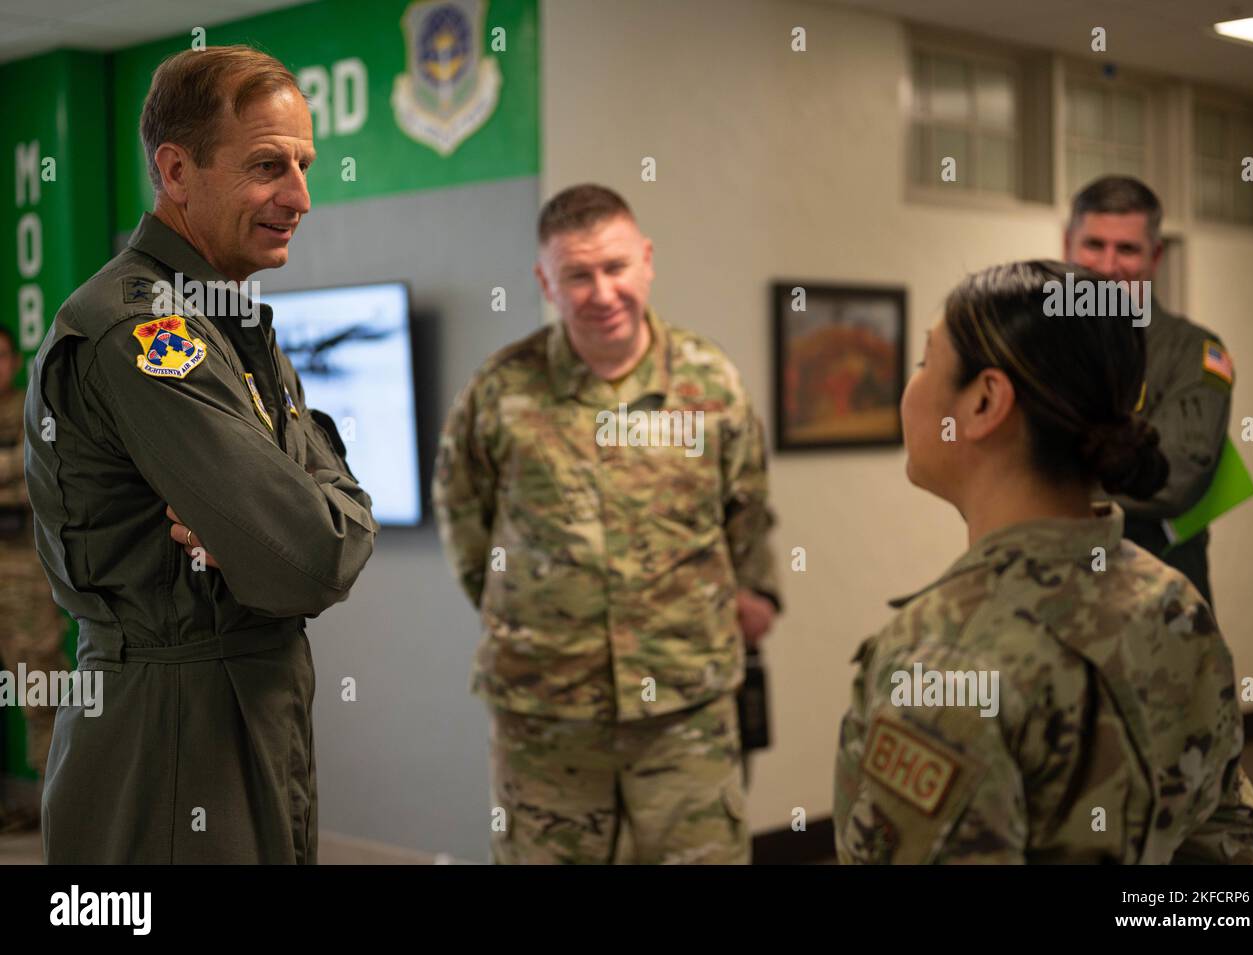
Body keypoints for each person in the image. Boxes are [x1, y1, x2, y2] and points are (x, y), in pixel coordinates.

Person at [23, 46, 376, 863]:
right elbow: (311, 560)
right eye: (266, 166)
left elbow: (330, 516)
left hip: (247, 706)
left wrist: (283, 509)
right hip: (170, 728)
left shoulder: (228, 318)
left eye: (304, 164)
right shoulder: (142, 332)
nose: (299, 196)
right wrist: (295, 513)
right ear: (176, 171)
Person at [833, 261, 1253, 864]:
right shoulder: (1174, 603)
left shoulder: (943, 661)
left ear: (985, 401)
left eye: (924, 363)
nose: (908, 388)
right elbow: (1228, 854)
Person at [435, 184, 781, 864]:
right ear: (545, 281)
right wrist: (537, 614)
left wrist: (758, 593)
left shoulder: (710, 382)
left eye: (616, 267)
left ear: (646, 260)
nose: (602, 291)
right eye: (577, 274)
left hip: (686, 707)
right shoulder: (502, 389)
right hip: (545, 712)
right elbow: (462, 515)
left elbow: (748, 506)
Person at [1064, 176, 1231, 606]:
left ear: (1155, 256)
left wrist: (1046, 477)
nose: (1107, 265)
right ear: (1067, 245)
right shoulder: (1037, 346)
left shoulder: (1193, 351)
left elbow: (1174, 478)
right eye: (1094, 245)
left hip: (1158, 607)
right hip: (1059, 596)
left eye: (1127, 249)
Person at [0, 325, 69, 831]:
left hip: (24, 567)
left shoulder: (34, 406)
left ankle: (58, 804)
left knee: (41, 683)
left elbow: (43, 472)